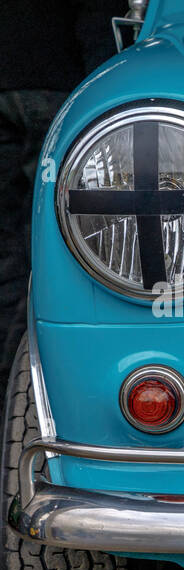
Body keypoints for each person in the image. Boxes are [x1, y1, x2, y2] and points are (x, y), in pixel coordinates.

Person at [0, 1, 123, 363]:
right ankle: (35, 371)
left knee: (9, 250)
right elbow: (100, 26)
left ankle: (12, 376)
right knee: (53, 246)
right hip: (58, 87)